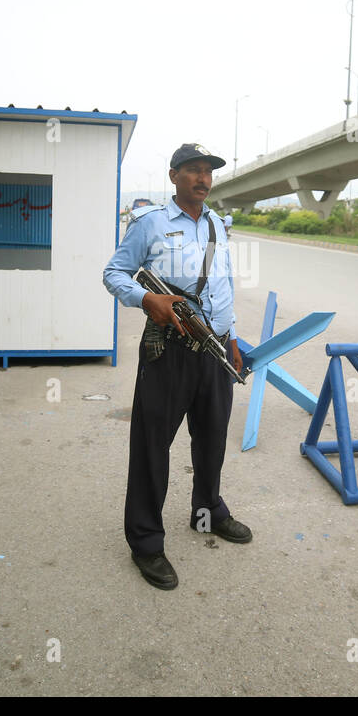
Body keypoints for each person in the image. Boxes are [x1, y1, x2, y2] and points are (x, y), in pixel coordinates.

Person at [102, 143, 252, 590]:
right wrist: (147, 298)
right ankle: (146, 543)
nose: (202, 178)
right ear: (174, 176)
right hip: (167, 351)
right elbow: (114, 273)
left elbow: (221, 286)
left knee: (211, 441)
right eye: (192, 170)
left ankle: (207, 514)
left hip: (214, 350)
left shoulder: (217, 226)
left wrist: (232, 334)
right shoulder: (149, 224)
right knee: (152, 448)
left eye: (207, 171)